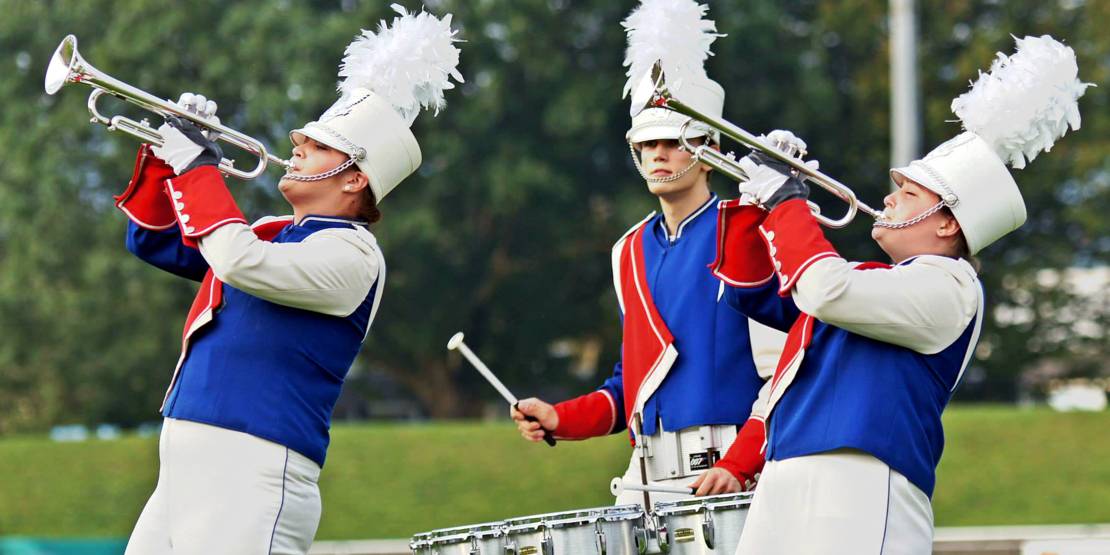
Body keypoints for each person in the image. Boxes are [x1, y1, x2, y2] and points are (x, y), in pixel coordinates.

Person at [706, 34, 1088, 555]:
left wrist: (789, 201)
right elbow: (751, 292)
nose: (887, 198)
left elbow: (822, 286)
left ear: (948, 223)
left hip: (864, 478)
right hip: (786, 470)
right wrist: (757, 199)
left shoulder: (952, 285)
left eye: (907, 193)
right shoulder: (868, 280)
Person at [118, 8, 462, 554]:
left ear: (354, 179)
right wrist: (168, 154)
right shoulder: (269, 233)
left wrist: (199, 167)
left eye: (318, 146)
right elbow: (154, 241)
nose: (296, 145)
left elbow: (235, 260)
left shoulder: (353, 254)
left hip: (252, 468)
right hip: (185, 460)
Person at [512, 72, 785, 505]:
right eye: (649, 145)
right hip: (645, 470)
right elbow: (632, 387)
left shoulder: (746, 229)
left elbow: (785, 373)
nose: (659, 155)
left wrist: (741, 461)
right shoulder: (628, 250)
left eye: (675, 143)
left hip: (731, 468)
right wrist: (558, 418)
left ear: (709, 153)